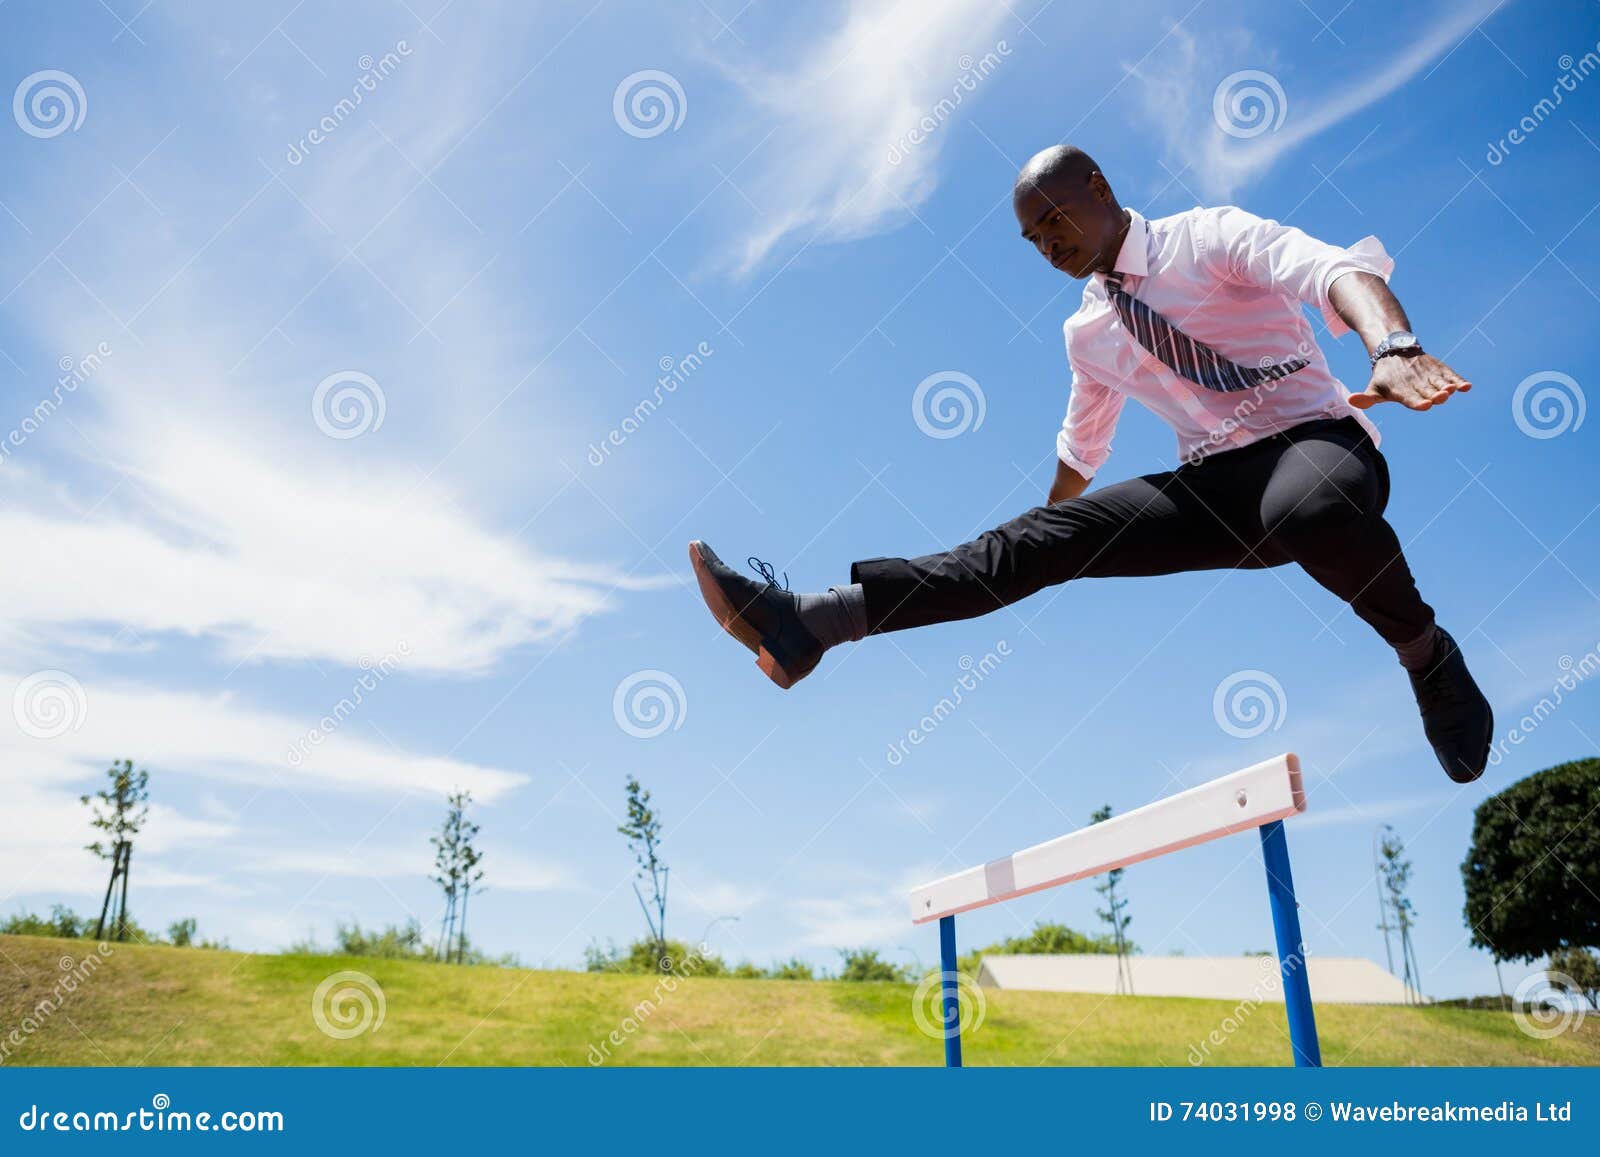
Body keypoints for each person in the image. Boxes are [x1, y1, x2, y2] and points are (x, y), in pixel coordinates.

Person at [689, 145, 1493, 783]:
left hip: (1319, 451)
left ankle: (1426, 654)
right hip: (1217, 492)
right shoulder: (1091, 331)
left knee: (1305, 509)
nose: (1049, 246)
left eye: (1055, 221)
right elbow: (1083, 446)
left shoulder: (1206, 239)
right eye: (1034, 240)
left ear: (1098, 188)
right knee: (1036, 541)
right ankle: (816, 619)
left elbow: (1331, 270)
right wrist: (1050, 525)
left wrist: (1393, 345)